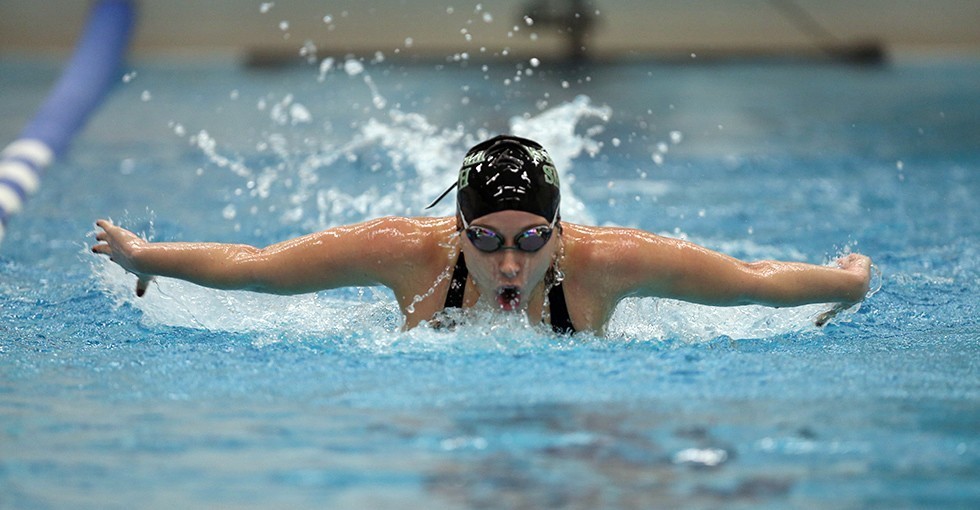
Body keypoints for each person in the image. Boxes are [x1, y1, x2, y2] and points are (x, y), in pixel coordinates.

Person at [93, 135, 873, 334]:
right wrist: (144, 256)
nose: (509, 263)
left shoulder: (609, 264)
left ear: (559, 230)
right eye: (488, 241)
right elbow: (259, 268)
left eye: (532, 241)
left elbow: (751, 282)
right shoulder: (404, 252)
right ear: (455, 231)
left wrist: (847, 283)